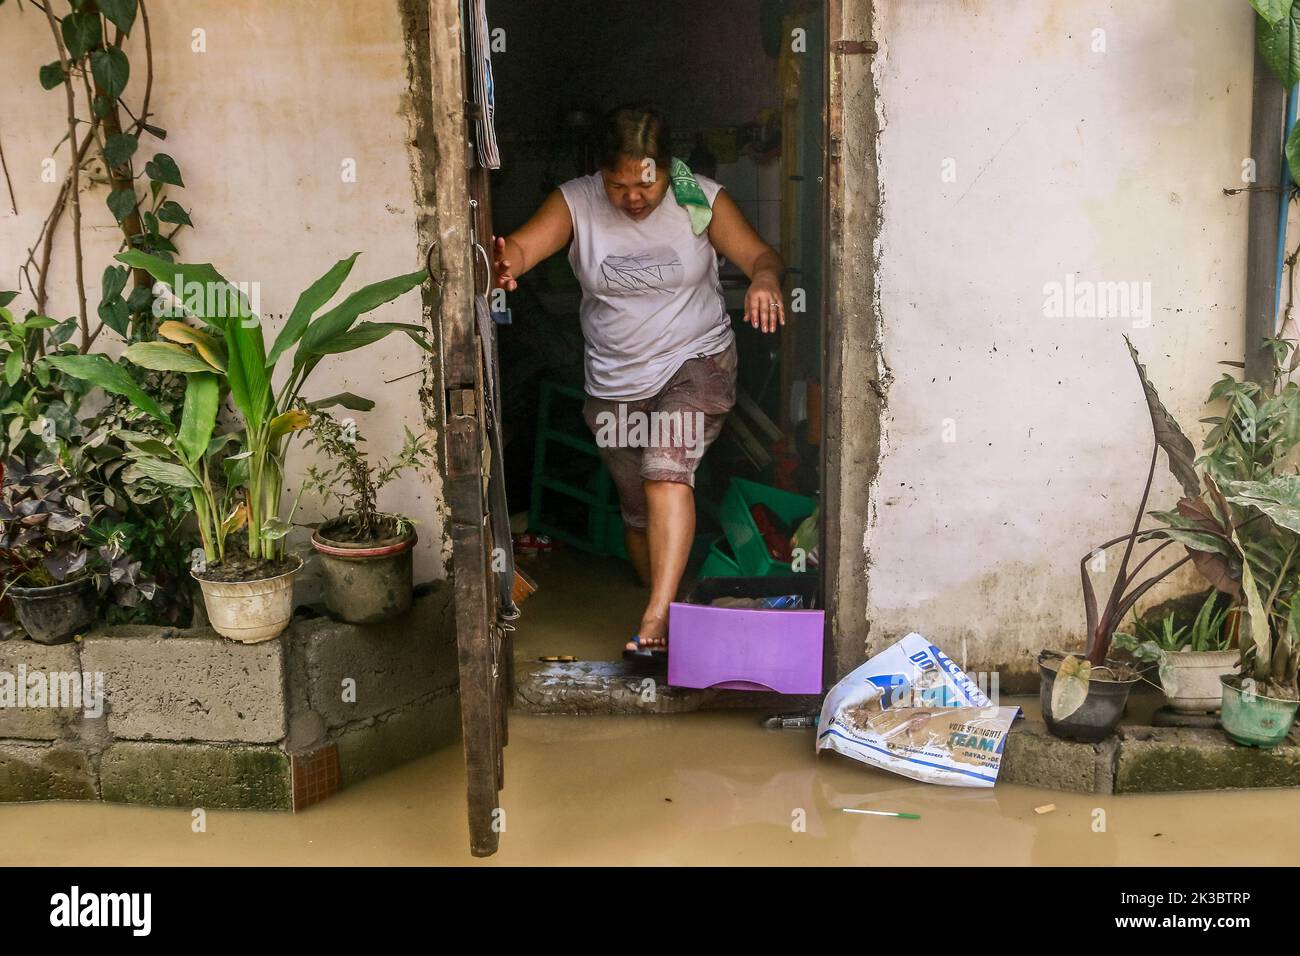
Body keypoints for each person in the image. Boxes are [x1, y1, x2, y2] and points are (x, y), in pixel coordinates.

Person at [491, 103, 784, 657]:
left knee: (665, 470)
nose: (633, 197)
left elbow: (759, 255)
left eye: (645, 183)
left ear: (665, 166)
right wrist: (509, 265)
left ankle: (655, 615)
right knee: (637, 511)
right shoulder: (576, 200)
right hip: (615, 379)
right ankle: (667, 611)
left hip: (695, 361)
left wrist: (765, 279)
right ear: (601, 174)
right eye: (618, 184)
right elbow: (525, 247)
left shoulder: (695, 194)